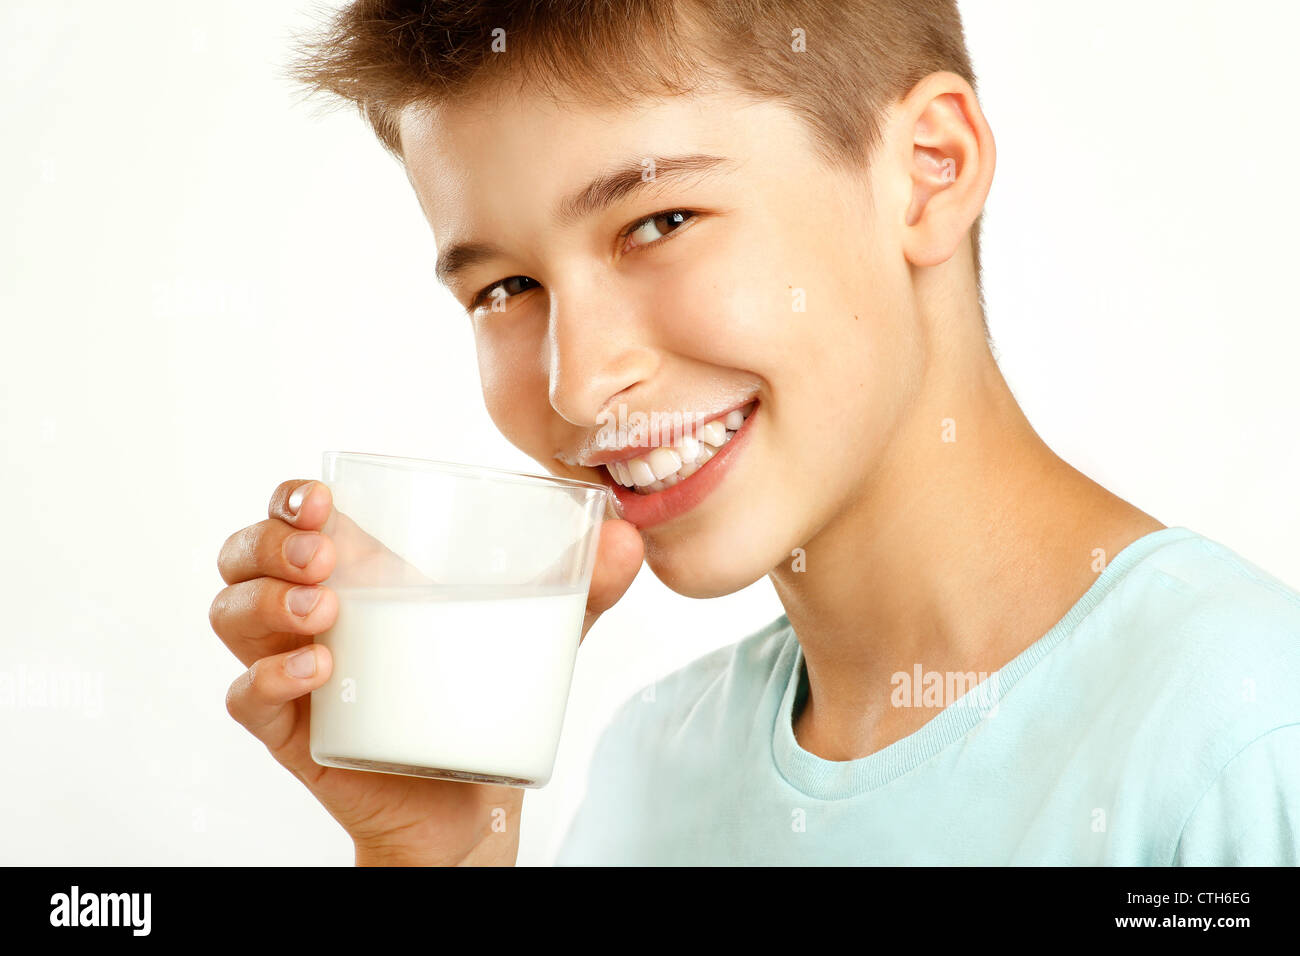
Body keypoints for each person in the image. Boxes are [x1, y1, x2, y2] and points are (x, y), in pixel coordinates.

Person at [209, 0, 1300, 865]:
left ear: (928, 168)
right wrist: (434, 860)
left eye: (658, 222)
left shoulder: (1245, 739)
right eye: (504, 287)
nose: (581, 384)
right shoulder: (649, 773)